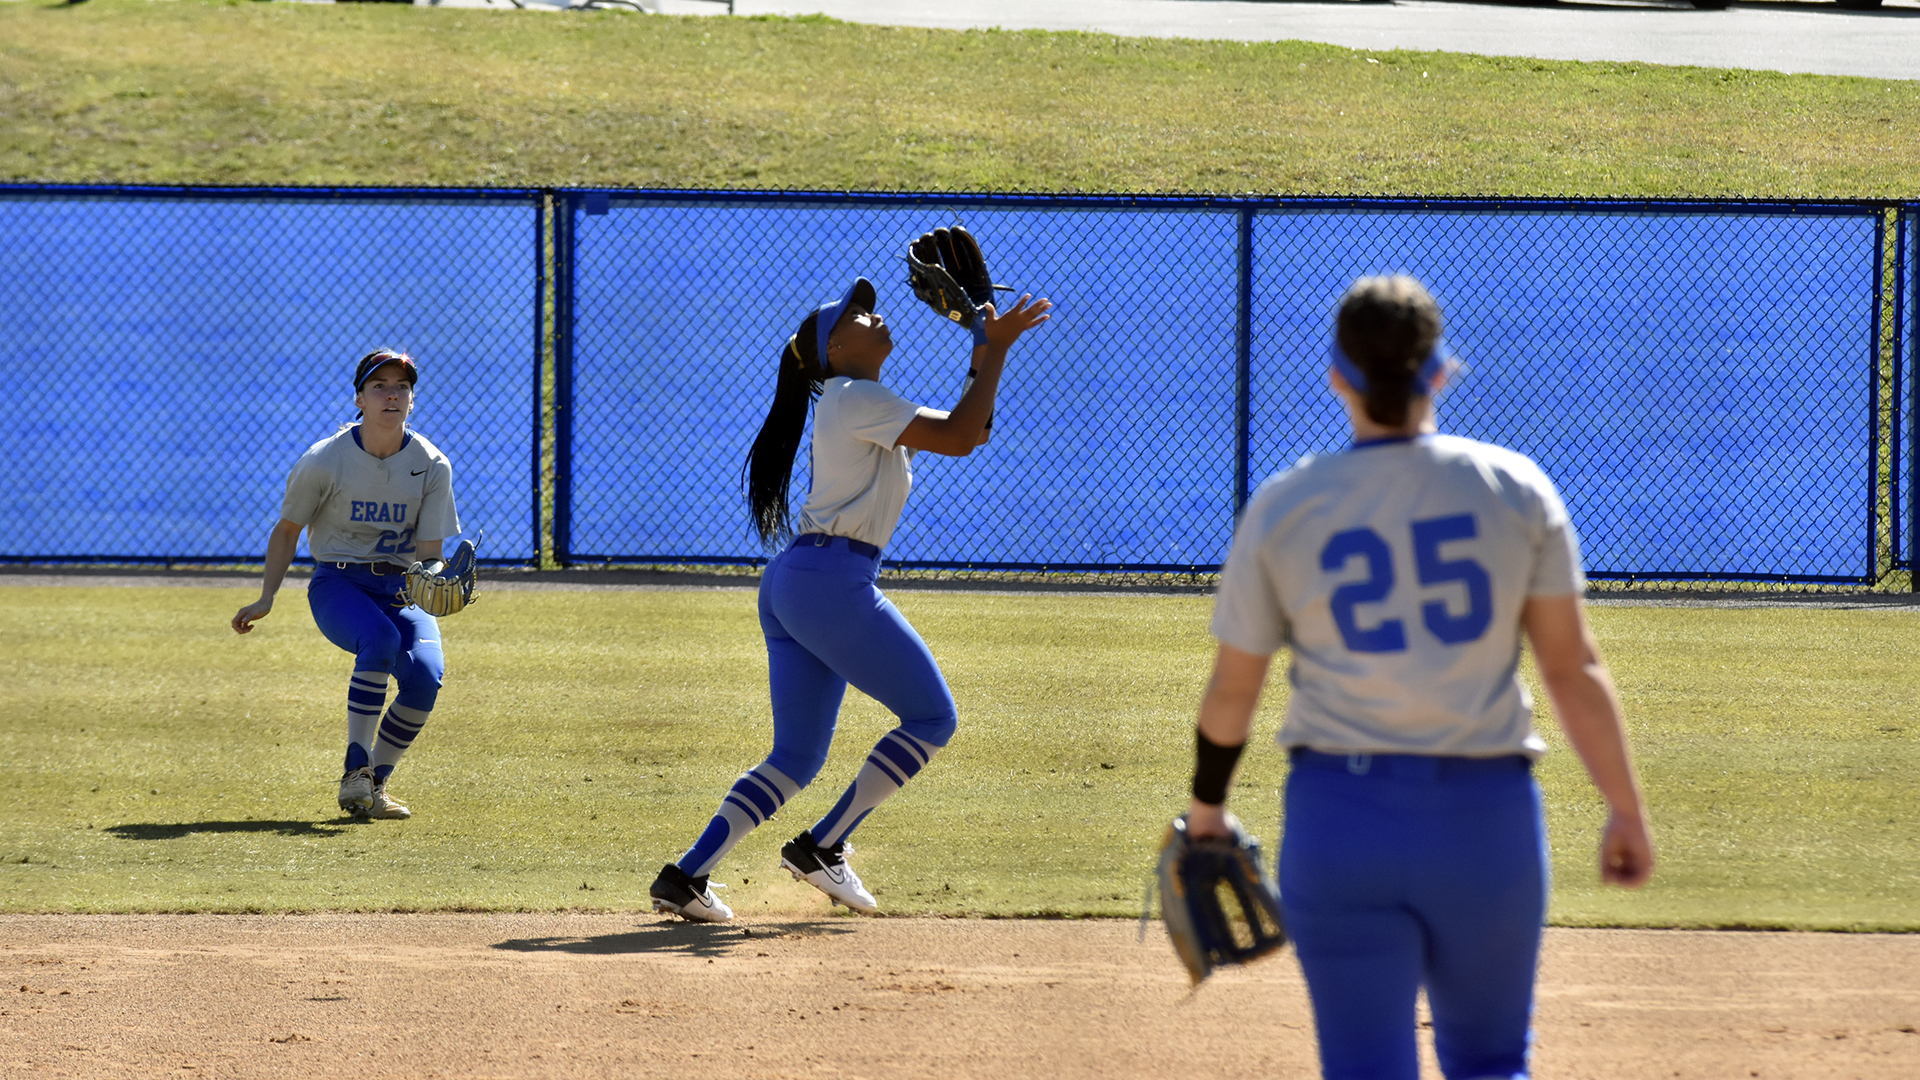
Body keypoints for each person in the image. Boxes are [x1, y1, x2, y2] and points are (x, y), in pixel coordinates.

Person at [1186, 276, 1654, 1080]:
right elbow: (1572, 669)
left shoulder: (1288, 502)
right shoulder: (1514, 486)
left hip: (1341, 821)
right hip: (1485, 821)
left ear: (1337, 374)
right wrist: (1624, 809)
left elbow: (1234, 693)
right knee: (1490, 1061)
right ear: (1440, 370)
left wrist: (1207, 810)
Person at [647, 276, 1051, 922]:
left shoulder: (850, 396)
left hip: (797, 581)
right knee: (932, 719)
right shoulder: (854, 395)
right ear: (833, 347)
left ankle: (685, 876)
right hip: (831, 582)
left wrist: (984, 348)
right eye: (858, 314)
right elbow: (961, 435)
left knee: (797, 756)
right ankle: (821, 846)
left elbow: (969, 428)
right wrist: (993, 348)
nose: (874, 314)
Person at [231, 349, 462, 822]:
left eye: (402, 386)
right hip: (339, 581)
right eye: (379, 385)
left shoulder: (432, 465)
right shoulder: (325, 460)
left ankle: (373, 785)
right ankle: (355, 767)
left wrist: (436, 580)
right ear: (360, 398)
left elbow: (430, 552)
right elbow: (287, 530)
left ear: (412, 401)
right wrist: (267, 597)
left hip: (401, 586)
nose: (392, 394)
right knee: (379, 640)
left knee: (425, 677)